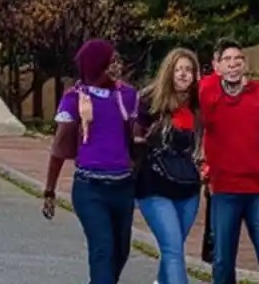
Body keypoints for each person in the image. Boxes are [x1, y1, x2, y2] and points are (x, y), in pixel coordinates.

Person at [43, 39, 138, 284]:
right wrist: (50, 191)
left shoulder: (127, 96)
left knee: (120, 251)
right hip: (90, 189)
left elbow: (134, 139)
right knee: (102, 249)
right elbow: (59, 149)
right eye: (111, 61)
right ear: (97, 65)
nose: (117, 66)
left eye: (117, 60)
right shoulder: (75, 99)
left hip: (122, 187)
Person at [200, 39, 259, 284]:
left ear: (245, 63)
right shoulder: (210, 93)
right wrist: (217, 78)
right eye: (227, 60)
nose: (233, 64)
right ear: (216, 65)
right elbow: (203, 95)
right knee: (223, 259)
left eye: (238, 59)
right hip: (224, 189)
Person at [134, 48, 203, 284]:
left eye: (188, 70)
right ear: (168, 72)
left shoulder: (199, 106)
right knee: (173, 249)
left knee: (174, 248)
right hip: (155, 186)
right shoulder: (150, 101)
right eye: (178, 69)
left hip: (188, 188)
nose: (183, 74)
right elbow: (133, 141)